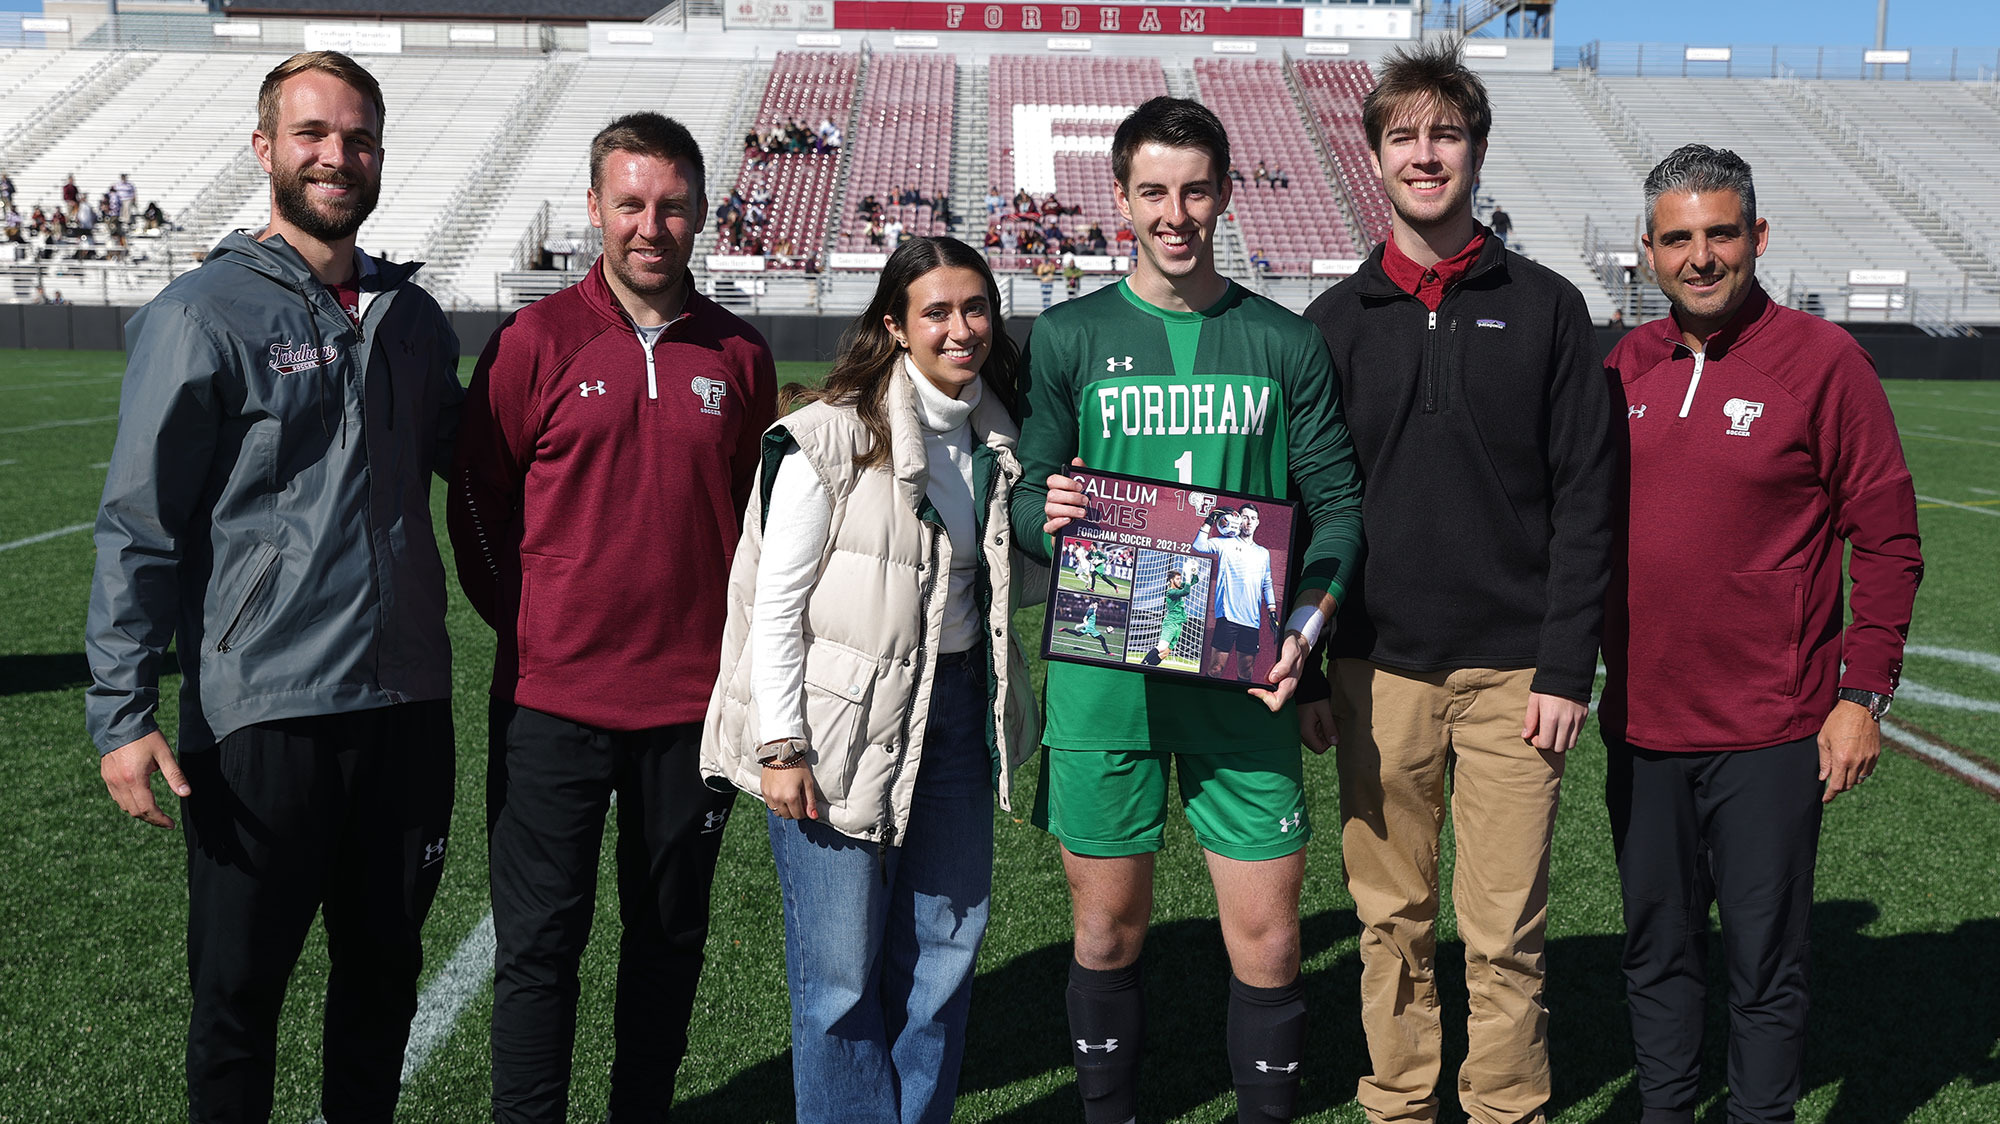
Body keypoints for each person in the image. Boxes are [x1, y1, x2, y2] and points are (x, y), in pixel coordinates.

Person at [86, 51, 463, 1123]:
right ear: (266, 150)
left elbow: (487, 470)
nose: (336, 156)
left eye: (357, 138)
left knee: (383, 985)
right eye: (312, 134)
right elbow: (137, 526)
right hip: (261, 713)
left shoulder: (414, 319)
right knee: (238, 999)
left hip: (404, 708)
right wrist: (122, 713)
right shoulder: (202, 314)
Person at [1012, 96, 1365, 1124]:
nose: (1176, 213)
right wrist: (1050, 509)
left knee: (1268, 937)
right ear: (1118, 198)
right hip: (1105, 675)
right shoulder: (1068, 335)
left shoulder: (1282, 340)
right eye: (1153, 192)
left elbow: (1335, 502)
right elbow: (1030, 494)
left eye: (1195, 190)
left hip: (1240, 677)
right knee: (1108, 931)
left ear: (1223, 195)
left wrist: (1307, 625)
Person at [1299, 40, 1614, 1124]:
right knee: (1387, 921)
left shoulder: (1548, 308)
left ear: (1474, 148)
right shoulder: (1330, 325)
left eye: (1444, 133)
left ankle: (1503, 1108)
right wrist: (1299, 670)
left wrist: (1566, 664)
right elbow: (1298, 511)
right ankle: (1395, 1103)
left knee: (1503, 932)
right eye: (1403, 136)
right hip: (1372, 670)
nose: (1423, 154)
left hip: (1517, 674)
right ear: (1374, 156)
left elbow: (1585, 500)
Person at [448, 112, 778, 1124]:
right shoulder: (532, 340)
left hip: (691, 711)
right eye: (630, 203)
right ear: (593, 209)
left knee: (667, 937)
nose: (650, 226)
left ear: (699, 216)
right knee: (541, 944)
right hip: (551, 705)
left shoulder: (738, 352)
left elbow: (756, 526)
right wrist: (533, 625)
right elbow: (475, 500)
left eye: (672, 205)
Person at [1601, 143, 1923, 1124]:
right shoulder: (1621, 364)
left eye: (1719, 234)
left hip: (1771, 728)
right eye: (1677, 239)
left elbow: (1890, 540)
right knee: (1655, 950)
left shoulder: (1823, 364)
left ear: (1756, 237)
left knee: (1762, 961)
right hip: (1641, 725)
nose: (1699, 257)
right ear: (1646, 252)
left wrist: (1859, 696)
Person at [701, 235, 1039, 1124]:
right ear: (894, 326)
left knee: (943, 958)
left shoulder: (1004, 434)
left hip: (959, 714)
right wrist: (781, 746)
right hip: (834, 727)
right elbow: (775, 608)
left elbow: (1001, 581)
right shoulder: (829, 436)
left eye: (976, 309)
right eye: (936, 311)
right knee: (841, 979)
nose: (960, 329)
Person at [1191, 504, 1277, 682]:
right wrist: (1210, 519)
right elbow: (1198, 545)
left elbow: (1267, 583)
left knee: (1246, 672)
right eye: (1245, 517)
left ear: (1257, 523)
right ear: (1238, 519)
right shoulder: (1225, 544)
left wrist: (1272, 612)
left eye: (1253, 518)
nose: (1248, 522)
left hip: (1251, 621)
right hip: (1228, 617)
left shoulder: (1263, 553)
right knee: (1215, 669)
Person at [1140, 568, 1194, 667]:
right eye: (1177, 579)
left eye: (1180, 579)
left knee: (1165, 653)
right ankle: (1141, 665)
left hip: (1178, 624)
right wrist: (1188, 574)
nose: (1180, 581)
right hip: (1171, 623)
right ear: (1171, 580)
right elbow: (1186, 591)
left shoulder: (1178, 588)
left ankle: (1149, 667)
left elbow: (1194, 581)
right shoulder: (1171, 592)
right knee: (1162, 647)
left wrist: (1193, 572)